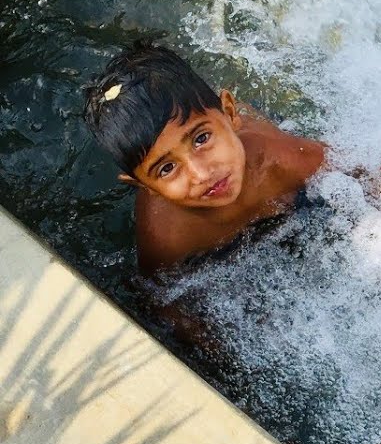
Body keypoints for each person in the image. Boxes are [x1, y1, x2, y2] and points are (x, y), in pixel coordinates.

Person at [82, 40, 326, 275]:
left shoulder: (278, 158)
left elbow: (353, 170)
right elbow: (160, 298)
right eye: (167, 169)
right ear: (144, 186)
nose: (201, 174)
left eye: (201, 139)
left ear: (230, 113)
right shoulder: (166, 237)